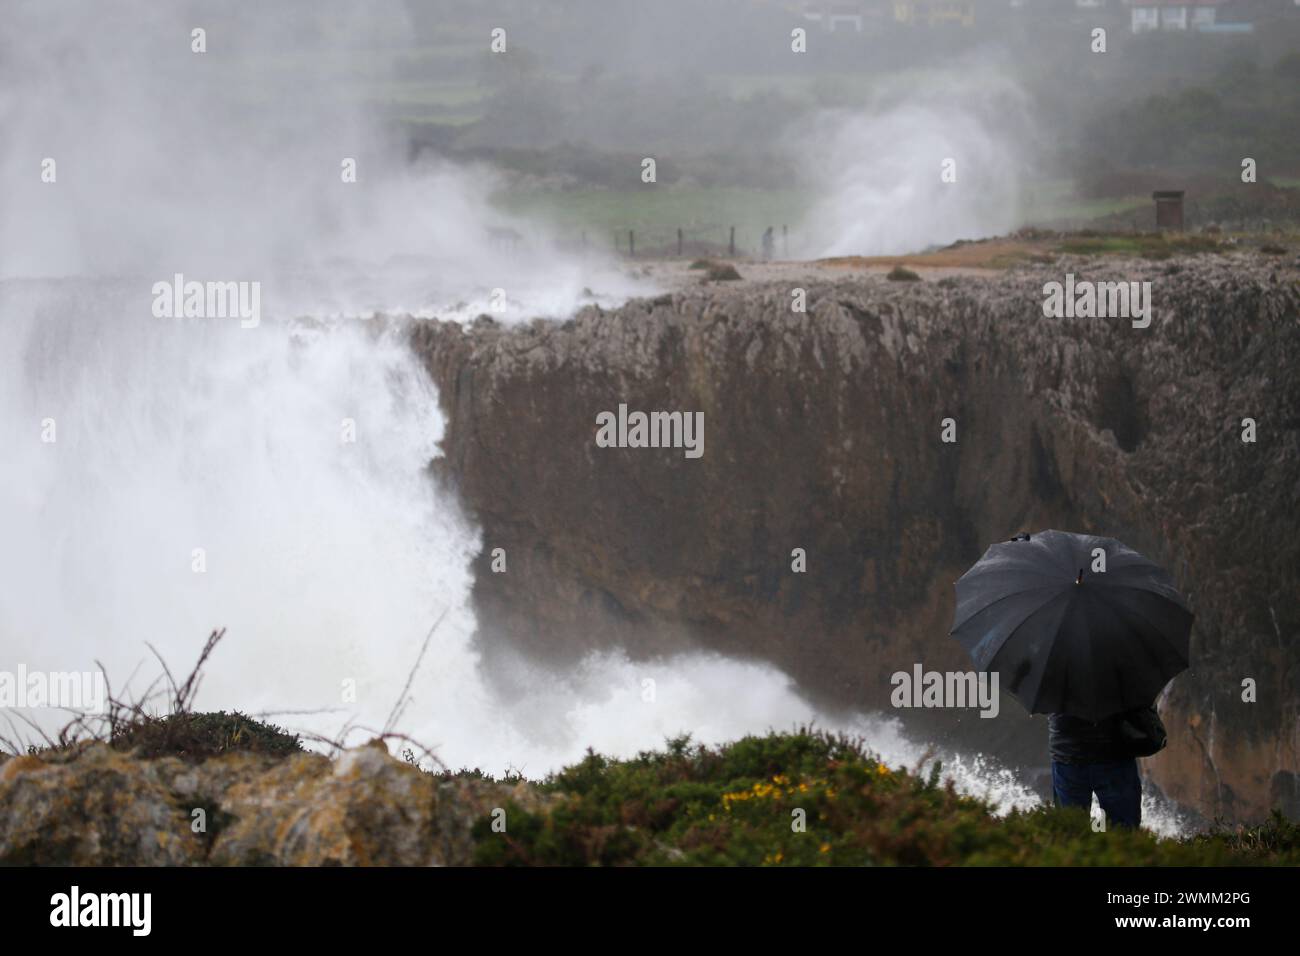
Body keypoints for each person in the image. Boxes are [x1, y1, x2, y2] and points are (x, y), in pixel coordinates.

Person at [1048, 712, 1143, 828]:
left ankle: (1092, 839)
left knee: (1071, 828)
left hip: (1066, 753)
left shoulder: (1058, 694)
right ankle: (1104, 837)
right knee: (1122, 828)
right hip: (1113, 754)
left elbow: (1045, 705)